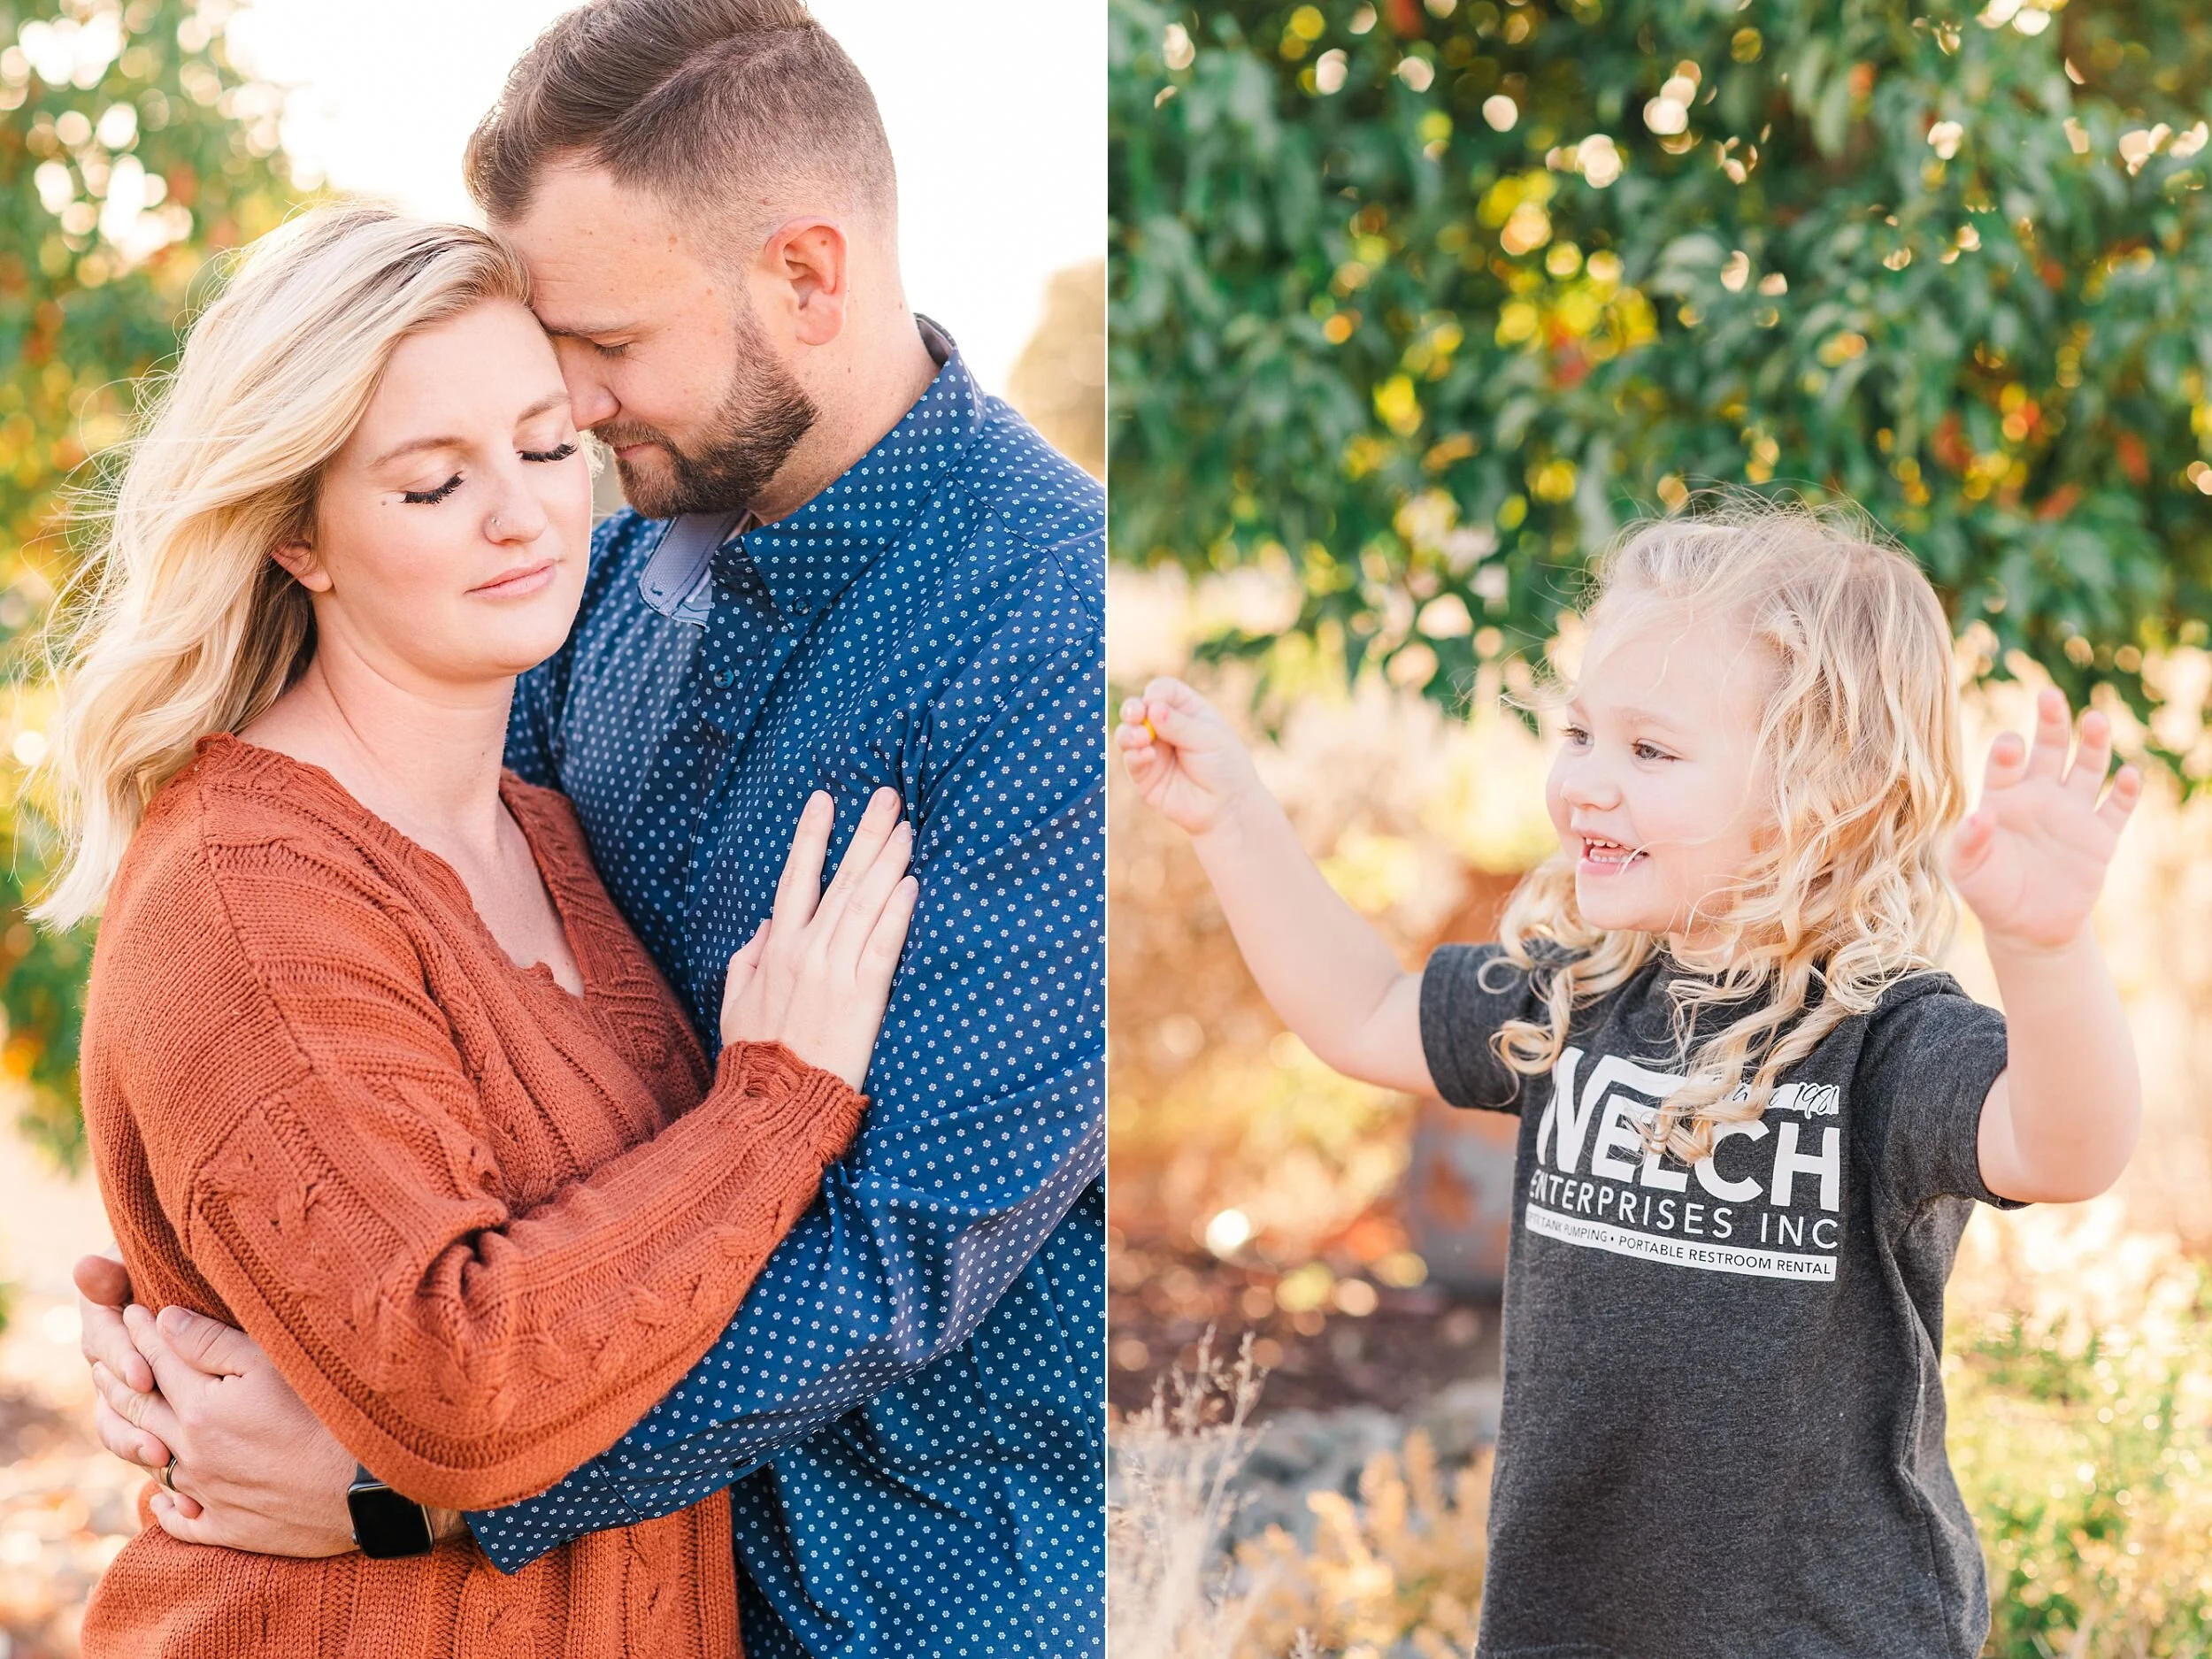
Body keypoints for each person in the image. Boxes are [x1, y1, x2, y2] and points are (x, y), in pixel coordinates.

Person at [74, 4, 1105, 1655]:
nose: (568, 408)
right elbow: (387, 1029)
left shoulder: (1050, 639)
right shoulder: (605, 580)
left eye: (600, 353)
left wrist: (402, 1480)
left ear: (809, 279)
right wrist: (227, 1283)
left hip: (896, 1597)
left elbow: (904, 1241)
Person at [1115, 499, 2142, 1658]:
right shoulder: (1574, 999)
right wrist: (1234, 818)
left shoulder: (1883, 1042)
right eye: (1581, 732)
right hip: (1573, 1622)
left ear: (1820, 790)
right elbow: (1361, 1011)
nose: (1589, 782)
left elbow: (2069, 1147)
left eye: (1650, 750)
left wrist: (2047, 952)